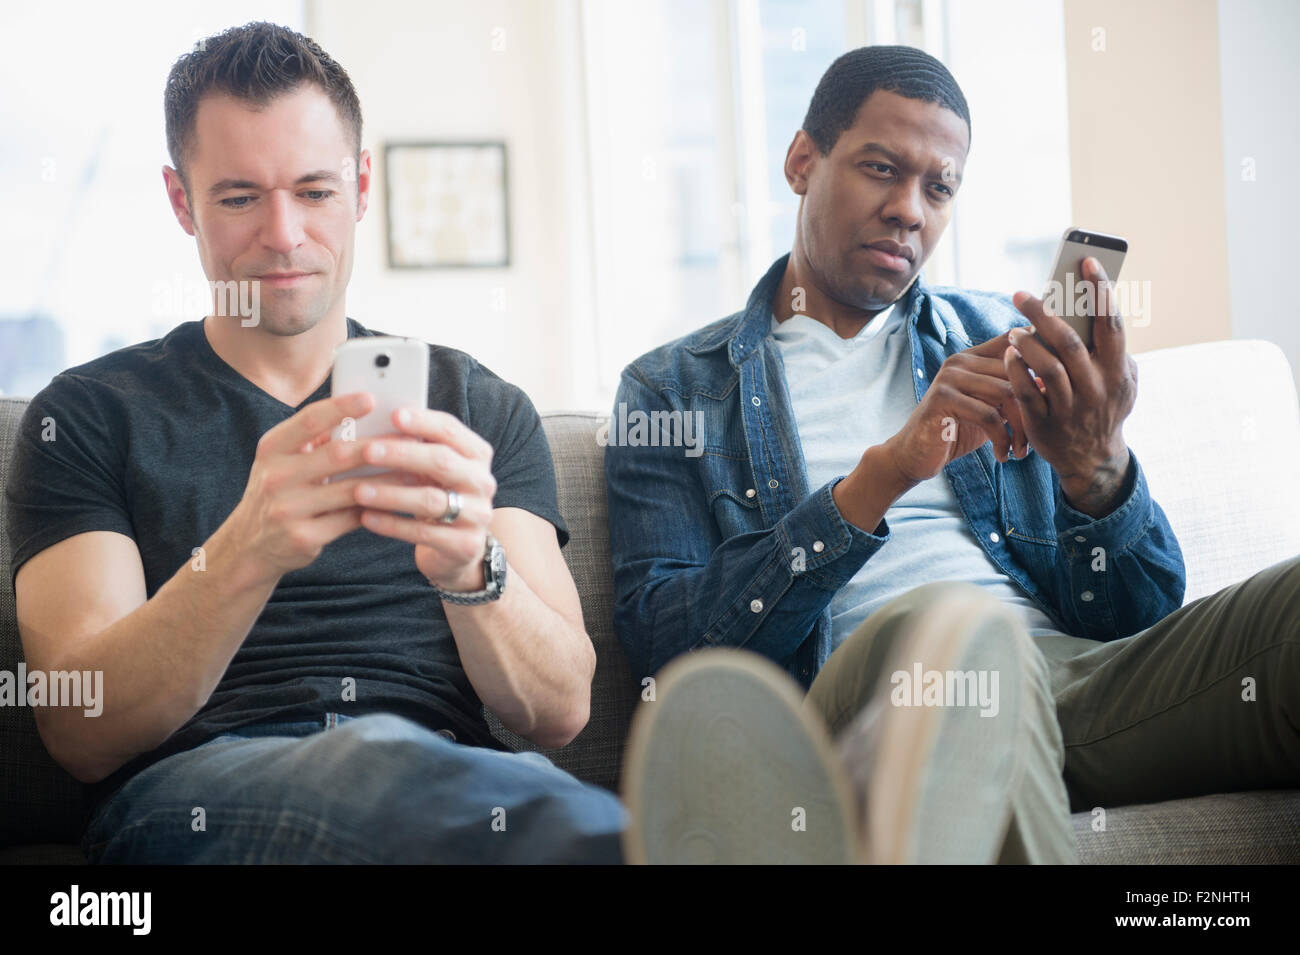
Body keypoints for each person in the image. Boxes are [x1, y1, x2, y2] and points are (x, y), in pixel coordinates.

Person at [606, 44, 1300, 864]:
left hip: (1067, 684)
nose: (910, 209)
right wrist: (883, 475)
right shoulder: (673, 389)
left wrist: (1096, 468)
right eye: (880, 168)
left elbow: (1142, 618)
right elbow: (671, 658)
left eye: (939, 187)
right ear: (802, 161)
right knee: (959, 633)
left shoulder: (999, 347)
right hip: (858, 709)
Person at [5, 21, 626, 864]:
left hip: (455, 777)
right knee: (379, 768)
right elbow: (79, 729)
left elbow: (560, 712)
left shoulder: (474, 404)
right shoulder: (84, 414)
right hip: (201, 790)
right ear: (181, 200)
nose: (286, 233)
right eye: (238, 197)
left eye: (314, 191)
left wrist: (471, 571)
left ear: (362, 185)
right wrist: (247, 549)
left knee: (467, 782)